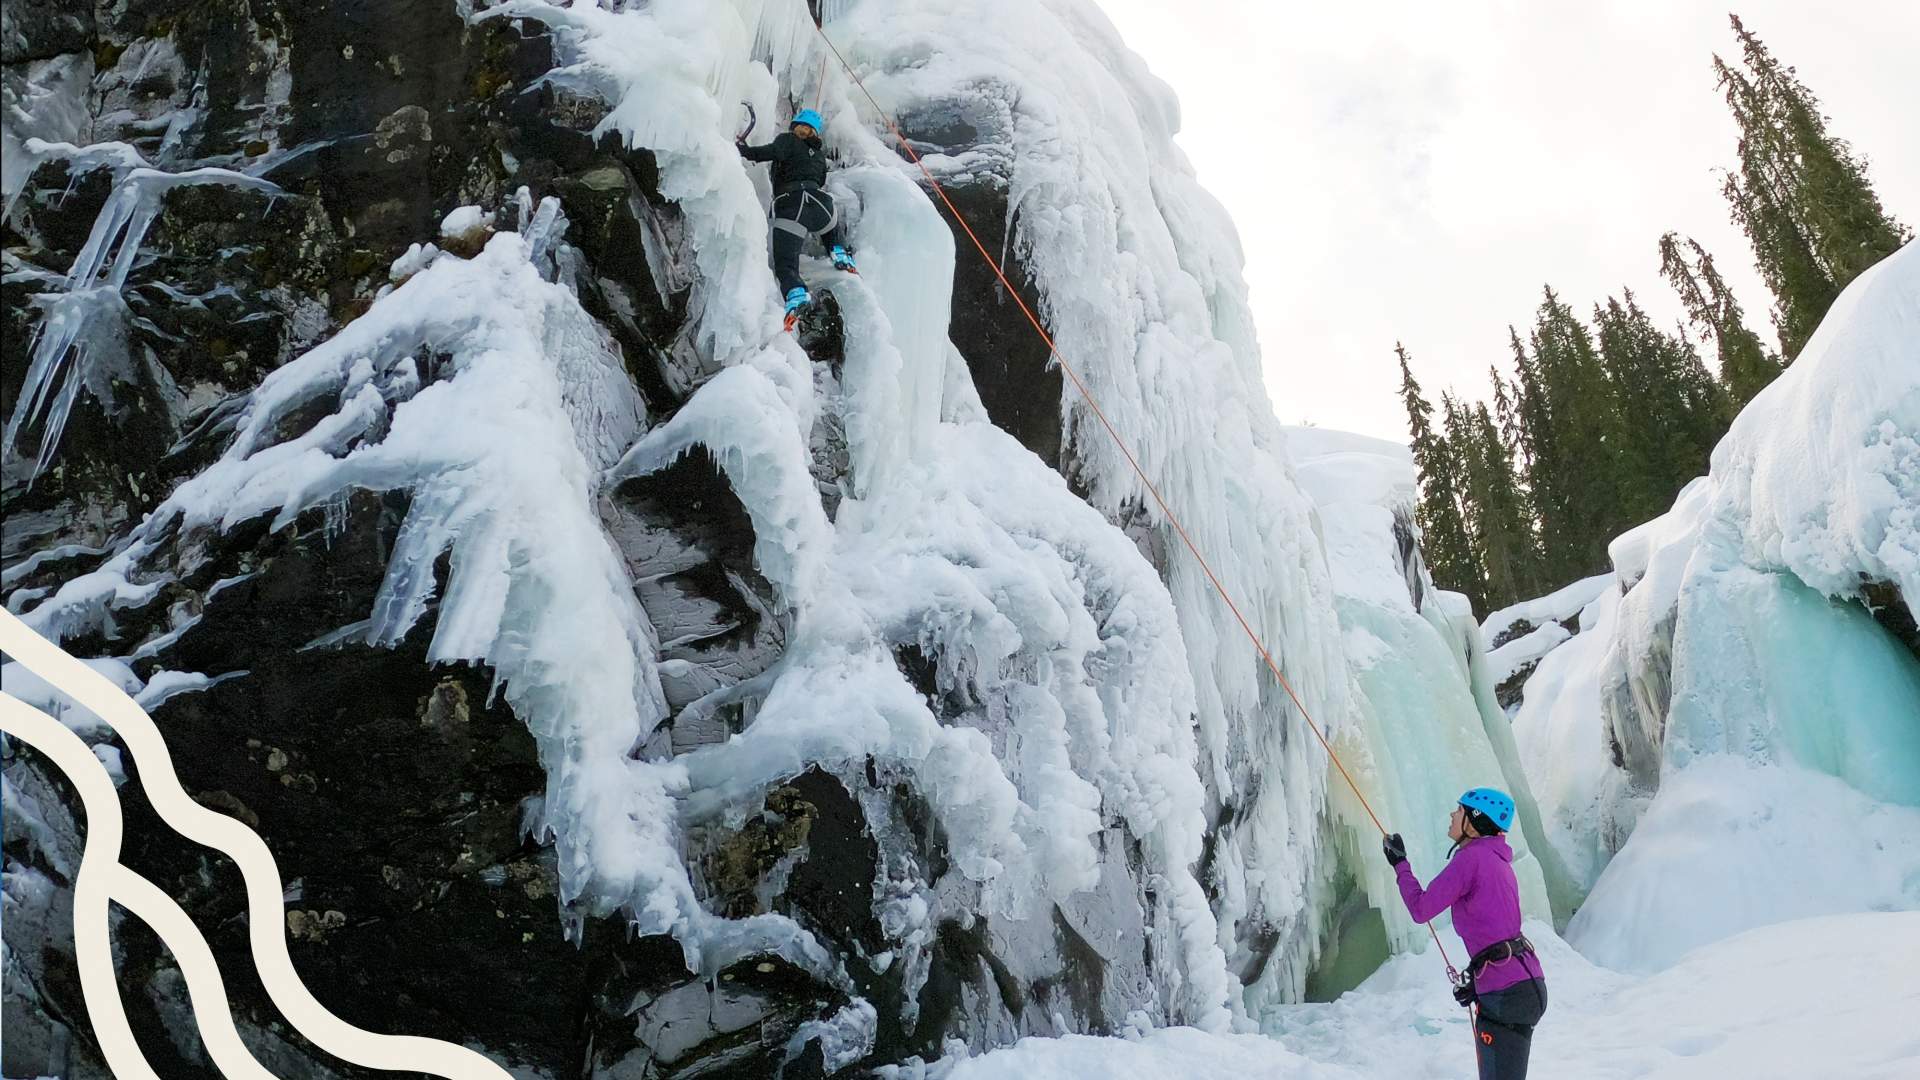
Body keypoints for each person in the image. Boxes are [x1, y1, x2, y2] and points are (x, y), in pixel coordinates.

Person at [1383, 788, 1548, 1080]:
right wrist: (1478, 981)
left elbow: (1421, 909)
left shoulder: (1470, 859)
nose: (1452, 814)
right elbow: (1496, 929)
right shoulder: (1497, 861)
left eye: (1459, 810)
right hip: (1525, 984)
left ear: (1474, 820)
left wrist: (1400, 864)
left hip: (1506, 991)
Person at [736, 108, 858, 321]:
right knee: (831, 231)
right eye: (802, 126)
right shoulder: (819, 155)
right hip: (822, 205)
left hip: (792, 204)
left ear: (803, 129)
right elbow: (820, 180)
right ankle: (838, 251)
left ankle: (796, 293)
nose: (802, 130)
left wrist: (744, 151)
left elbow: (772, 152)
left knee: (786, 263)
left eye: (805, 127)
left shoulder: (788, 140)